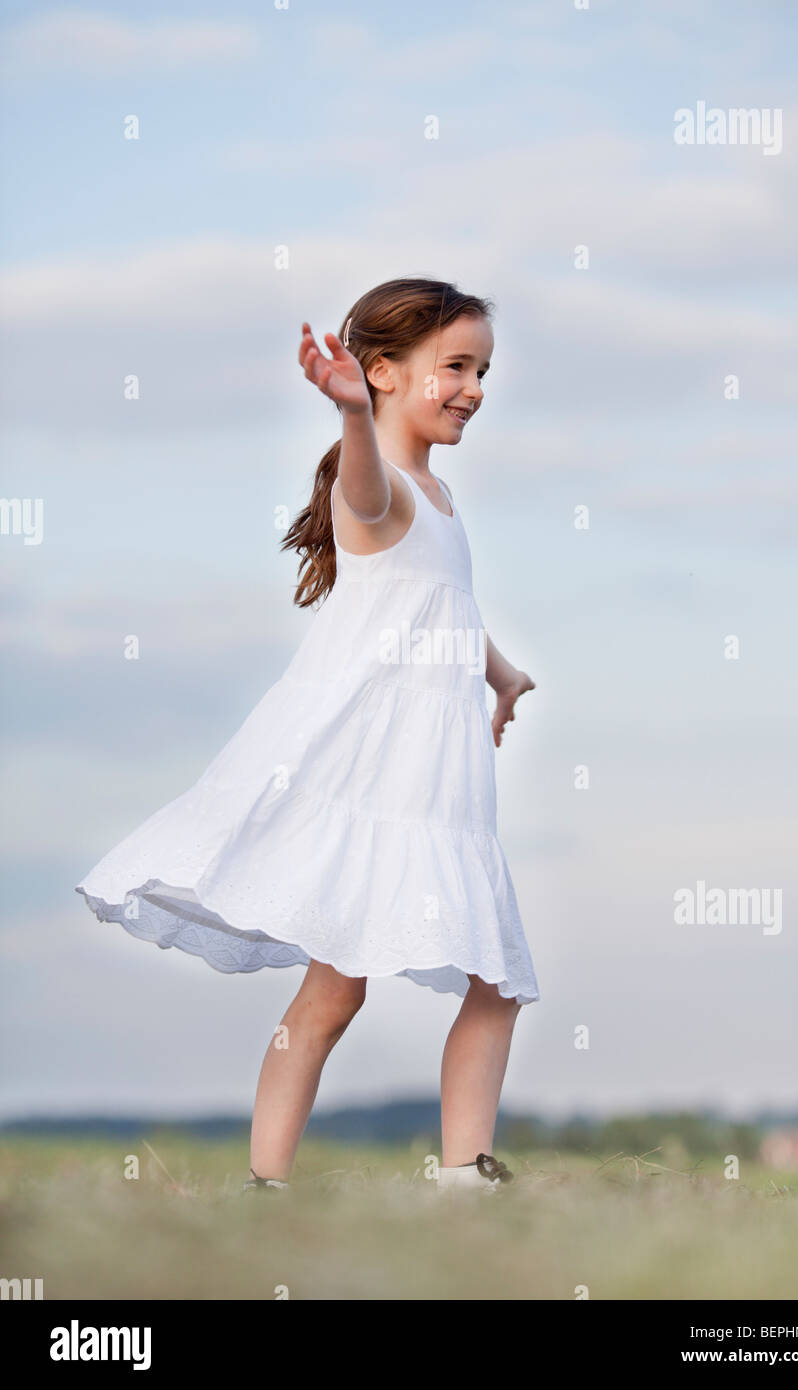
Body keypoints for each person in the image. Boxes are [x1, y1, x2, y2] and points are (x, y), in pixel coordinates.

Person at [76, 277, 539, 1194]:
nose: (475, 388)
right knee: (342, 992)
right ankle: (267, 1188)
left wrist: (500, 671)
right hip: (367, 771)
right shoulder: (381, 487)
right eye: (455, 367)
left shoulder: (442, 504)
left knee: (490, 983)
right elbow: (366, 501)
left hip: (436, 785)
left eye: (483, 370)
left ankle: (462, 1182)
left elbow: (444, 602)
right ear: (383, 373)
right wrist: (350, 416)